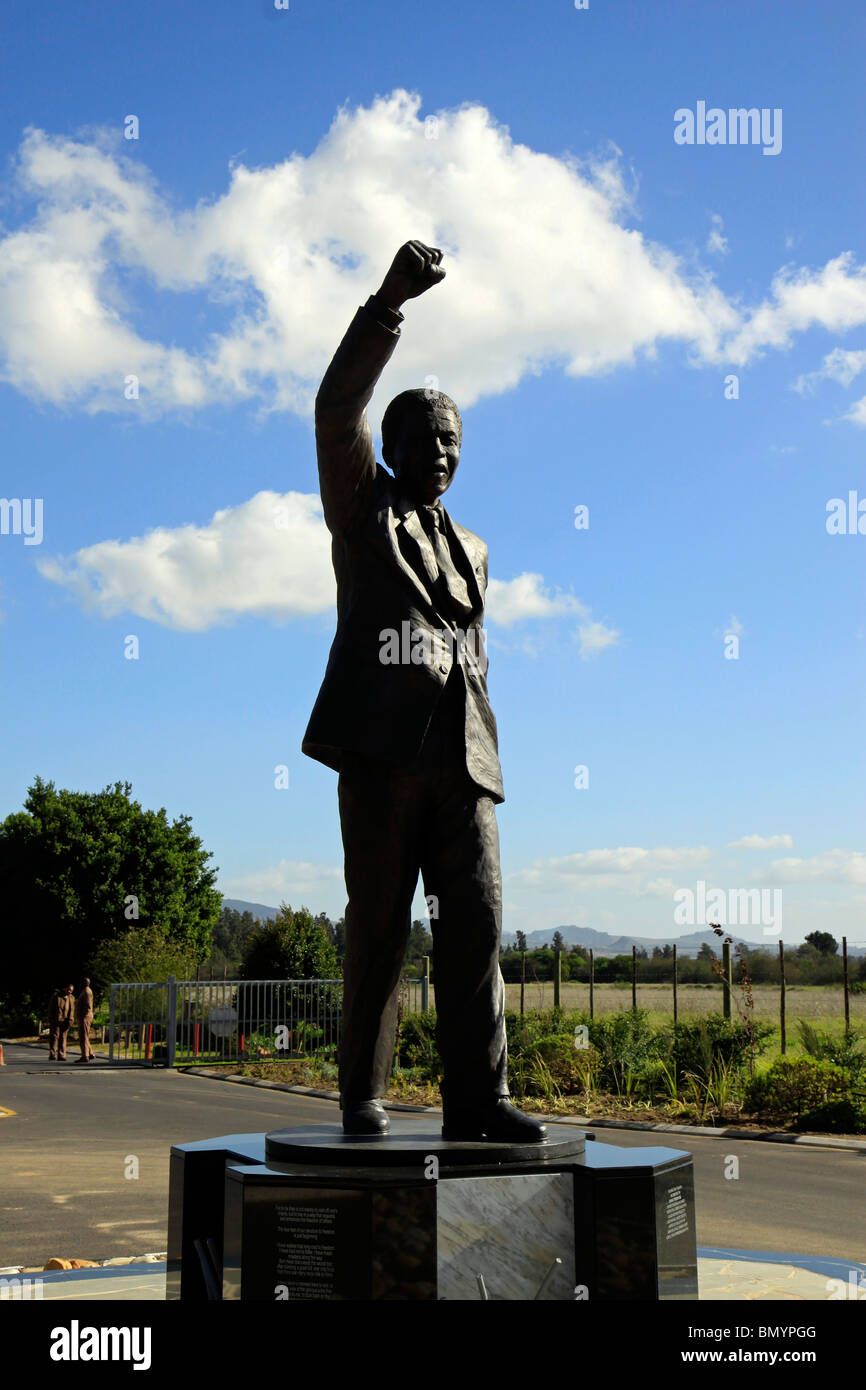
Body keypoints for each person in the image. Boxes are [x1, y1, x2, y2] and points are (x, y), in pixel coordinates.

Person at [303, 240, 545, 1142]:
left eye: (452, 440)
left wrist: (479, 743)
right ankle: (362, 1094)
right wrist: (388, 304)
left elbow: (470, 647)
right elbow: (335, 407)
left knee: (477, 926)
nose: (440, 451)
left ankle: (477, 1101)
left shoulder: (475, 547)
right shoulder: (362, 509)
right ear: (393, 446)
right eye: (424, 438)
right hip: (380, 753)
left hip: (464, 760)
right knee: (380, 926)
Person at [47, 984, 74, 1061]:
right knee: (54, 1037)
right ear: (64, 988)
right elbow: (50, 1009)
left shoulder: (71, 998)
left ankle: (61, 1054)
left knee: (63, 1037)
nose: (69, 991)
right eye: (68, 989)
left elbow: (72, 1010)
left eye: (71, 990)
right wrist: (51, 1019)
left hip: (66, 1021)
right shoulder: (56, 997)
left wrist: (70, 1021)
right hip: (56, 1020)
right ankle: (52, 1054)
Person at [74, 978, 95, 1064]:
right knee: (85, 1035)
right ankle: (90, 1053)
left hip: (85, 1016)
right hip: (85, 1016)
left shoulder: (86, 992)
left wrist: (83, 1017)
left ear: (85, 983)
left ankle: (85, 1056)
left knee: (83, 1036)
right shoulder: (86, 991)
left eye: (82, 982)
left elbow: (87, 1005)